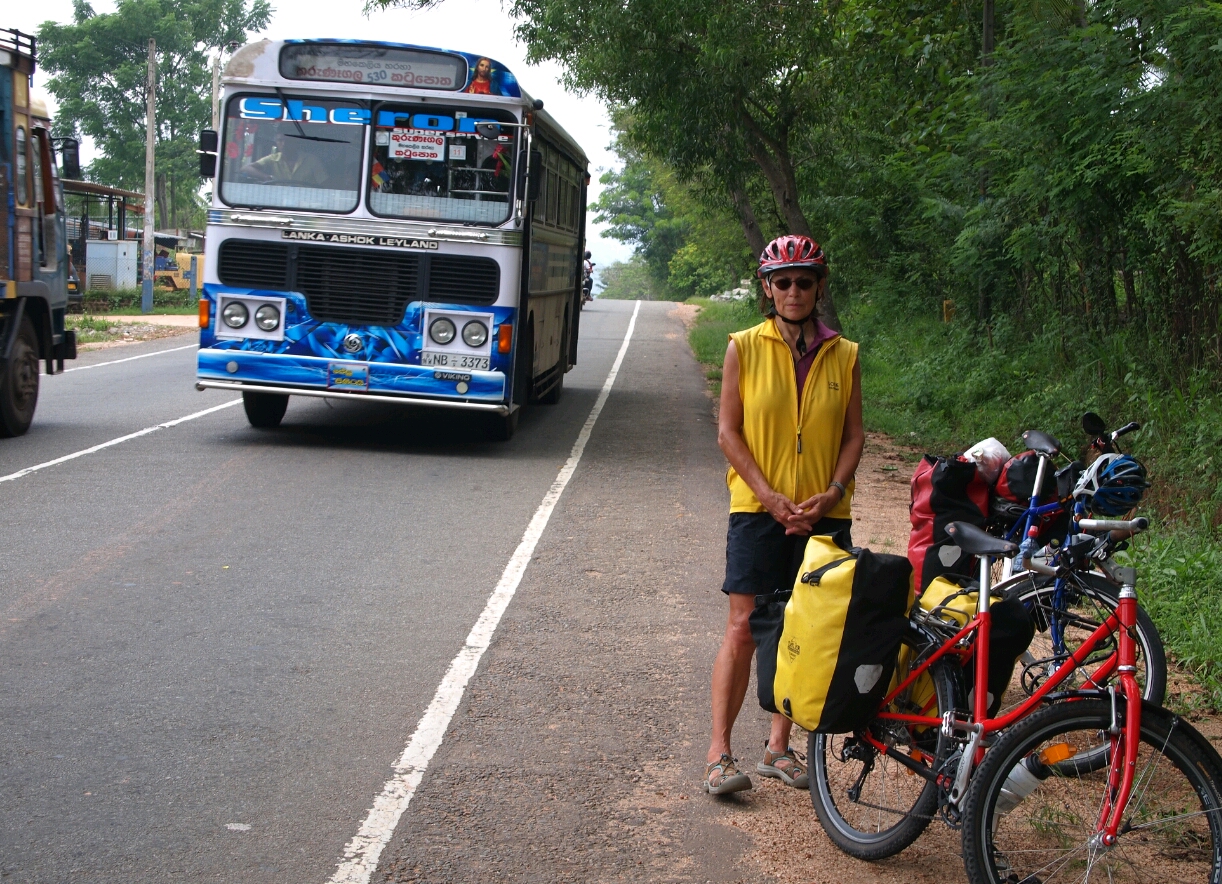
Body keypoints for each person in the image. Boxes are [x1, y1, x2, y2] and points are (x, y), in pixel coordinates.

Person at [705, 234, 864, 795]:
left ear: (819, 286)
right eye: (782, 281)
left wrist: (833, 490)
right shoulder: (743, 346)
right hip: (757, 509)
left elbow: (853, 435)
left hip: (823, 511)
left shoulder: (844, 353)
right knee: (745, 627)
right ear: (766, 288)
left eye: (804, 280)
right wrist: (771, 496)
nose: (793, 290)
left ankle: (778, 746)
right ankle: (719, 754)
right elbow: (728, 433)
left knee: (806, 627)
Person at [242, 132, 328, 186]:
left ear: (295, 142)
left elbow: (325, 184)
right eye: (280, 140)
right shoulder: (273, 158)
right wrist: (266, 177)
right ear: (276, 143)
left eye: (288, 141)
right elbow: (246, 169)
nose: (284, 144)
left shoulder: (312, 160)